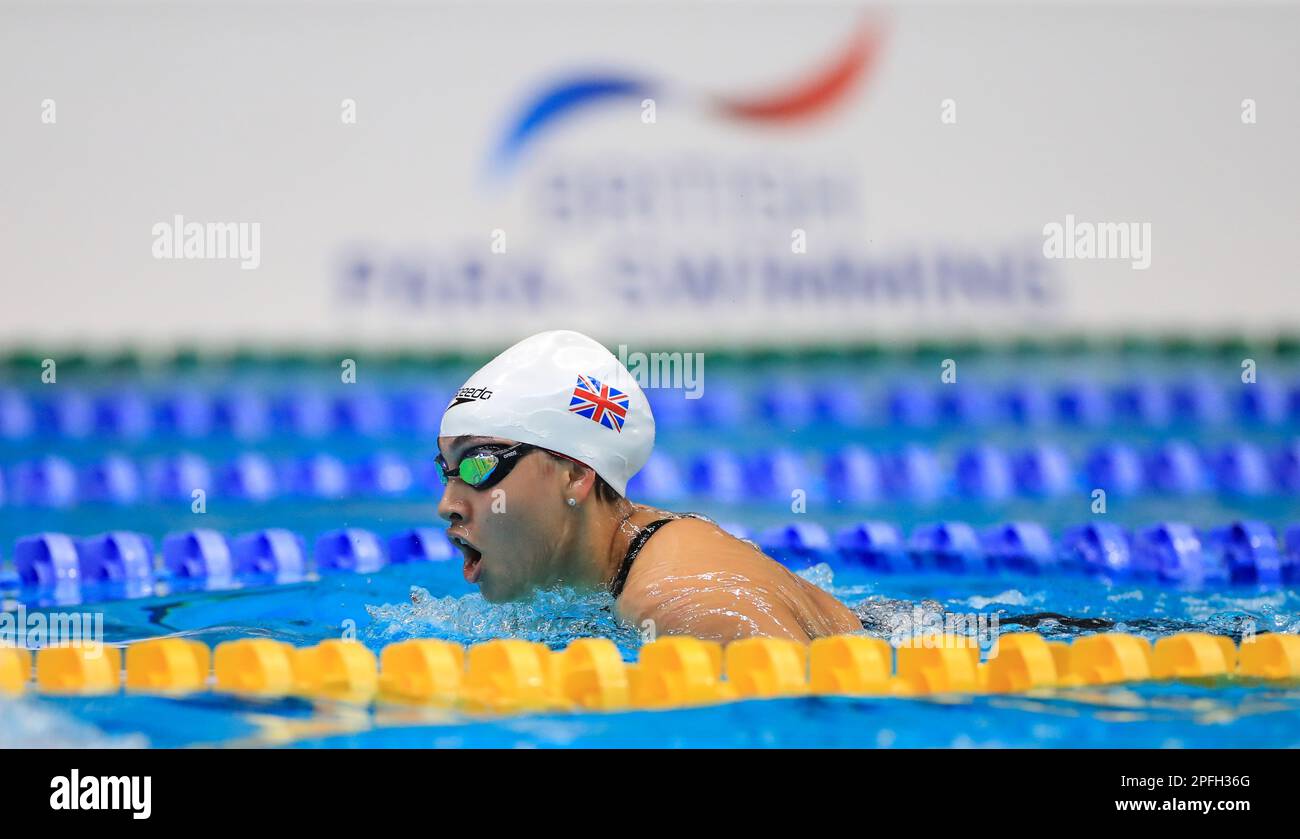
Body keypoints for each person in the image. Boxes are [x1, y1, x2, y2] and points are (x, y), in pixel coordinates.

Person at [436, 329, 863, 643]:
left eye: (479, 464)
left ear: (575, 474)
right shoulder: (607, 576)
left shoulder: (683, 601)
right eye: (447, 470)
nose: (447, 505)